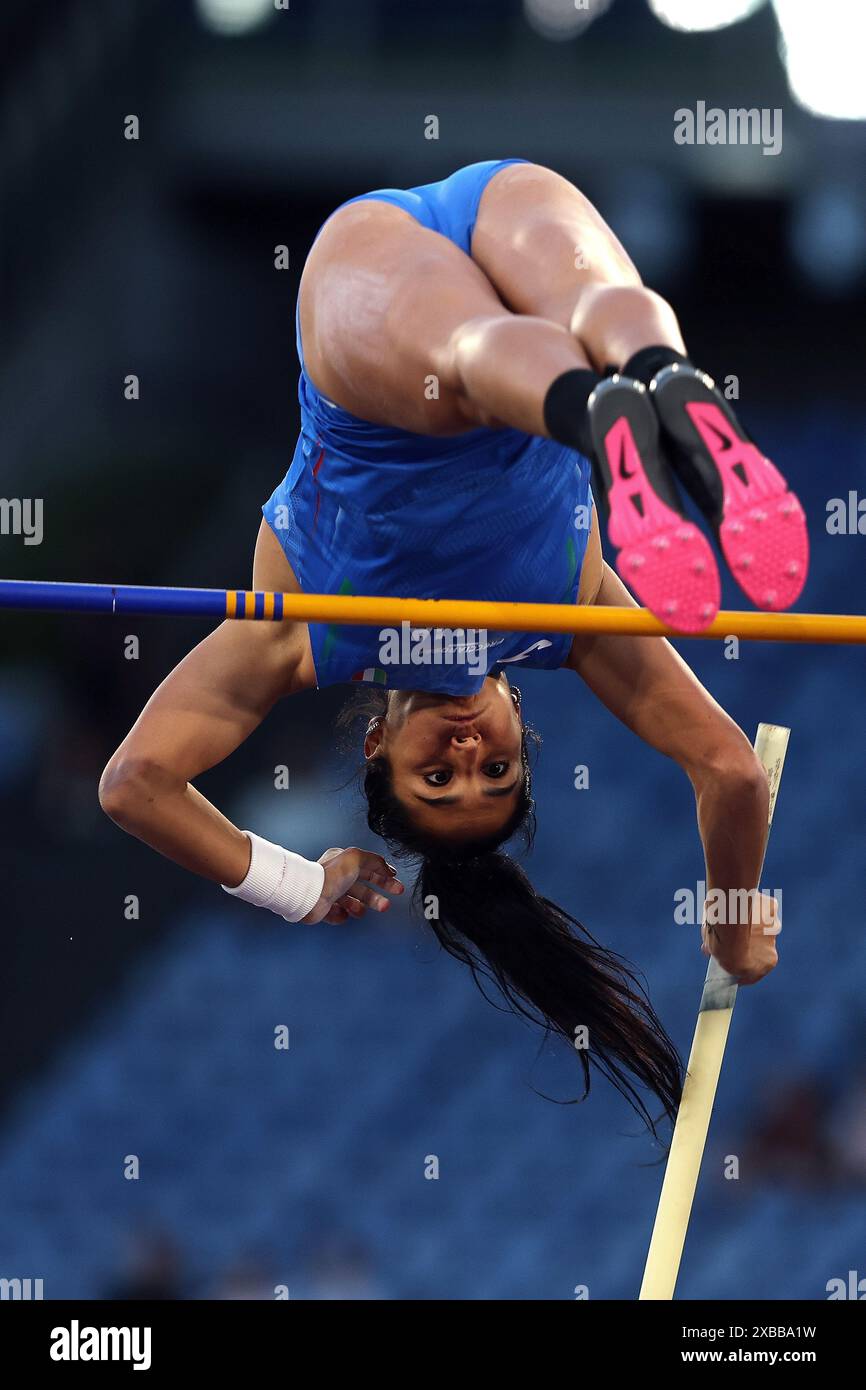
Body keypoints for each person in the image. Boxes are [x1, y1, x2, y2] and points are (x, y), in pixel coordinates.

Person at [100, 160, 784, 1133]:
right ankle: (657, 382)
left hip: (373, 317)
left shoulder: (304, 633)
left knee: (460, 370)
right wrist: (732, 919)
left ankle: (612, 410)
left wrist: (298, 888)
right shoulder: (570, 614)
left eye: (437, 779)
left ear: (376, 750)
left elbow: (133, 783)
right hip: (508, 221)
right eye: (495, 768)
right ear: (520, 731)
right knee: (585, 307)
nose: (465, 753)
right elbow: (727, 772)